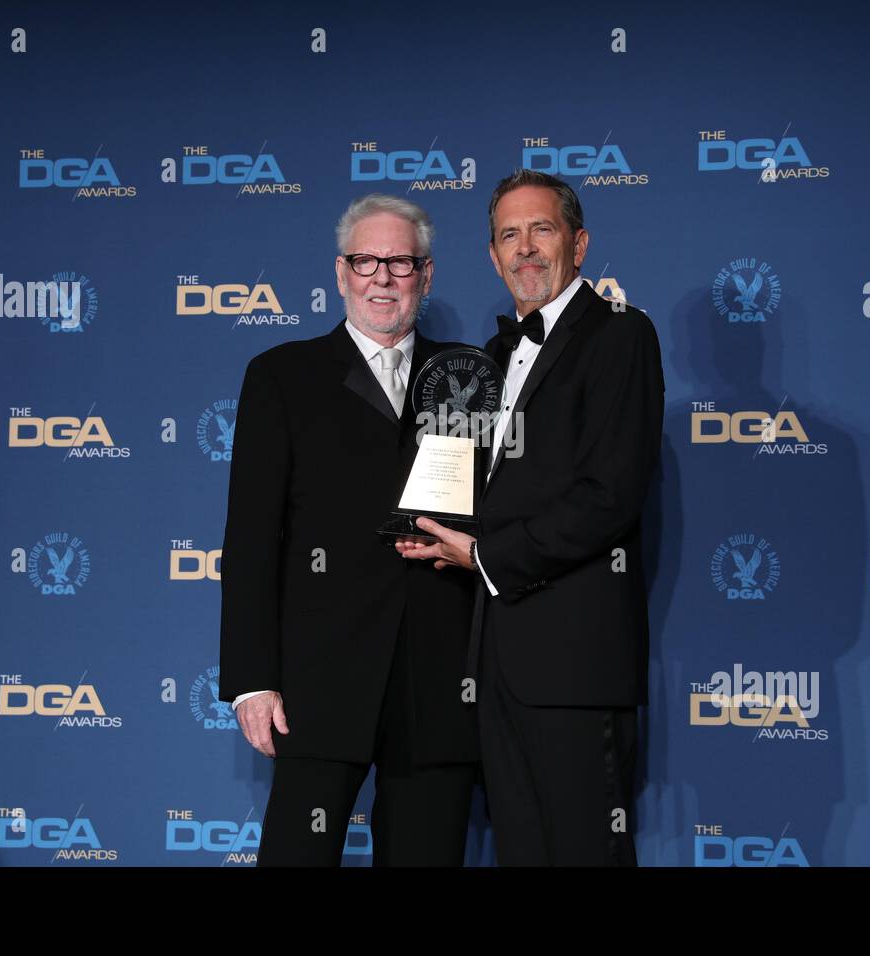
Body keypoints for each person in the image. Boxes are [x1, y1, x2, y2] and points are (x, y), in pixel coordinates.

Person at [397, 170, 664, 865]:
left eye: (541, 229)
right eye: (509, 235)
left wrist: (484, 558)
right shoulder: (485, 362)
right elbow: (459, 491)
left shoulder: (621, 338)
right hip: (493, 663)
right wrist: (421, 525)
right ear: (492, 256)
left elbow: (610, 494)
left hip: (577, 665)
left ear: (579, 243)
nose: (525, 249)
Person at [219, 194, 478, 866]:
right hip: (318, 679)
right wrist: (252, 679)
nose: (382, 278)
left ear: (426, 274)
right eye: (367, 261)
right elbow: (250, 538)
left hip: (439, 673)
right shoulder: (282, 376)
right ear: (340, 273)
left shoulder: (471, 376)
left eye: (400, 262)